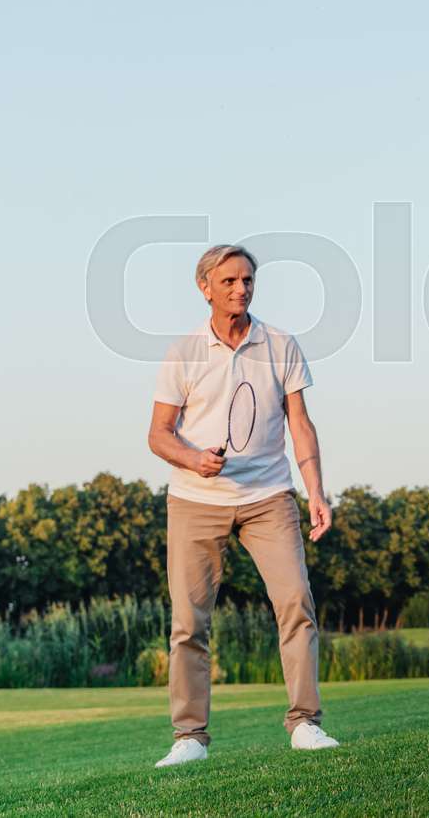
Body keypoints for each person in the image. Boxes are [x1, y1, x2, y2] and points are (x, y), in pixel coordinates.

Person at [147, 244, 340, 765]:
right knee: (189, 623)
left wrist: (316, 491)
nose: (241, 289)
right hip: (194, 500)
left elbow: (300, 423)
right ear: (205, 287)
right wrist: (192, 459)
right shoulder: (182, 353)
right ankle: (189, 738)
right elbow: (158, 435)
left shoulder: (280, 344)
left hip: (268, 498)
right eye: (230, 281)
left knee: (296, 602)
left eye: (248, 280)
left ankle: (305, 723)